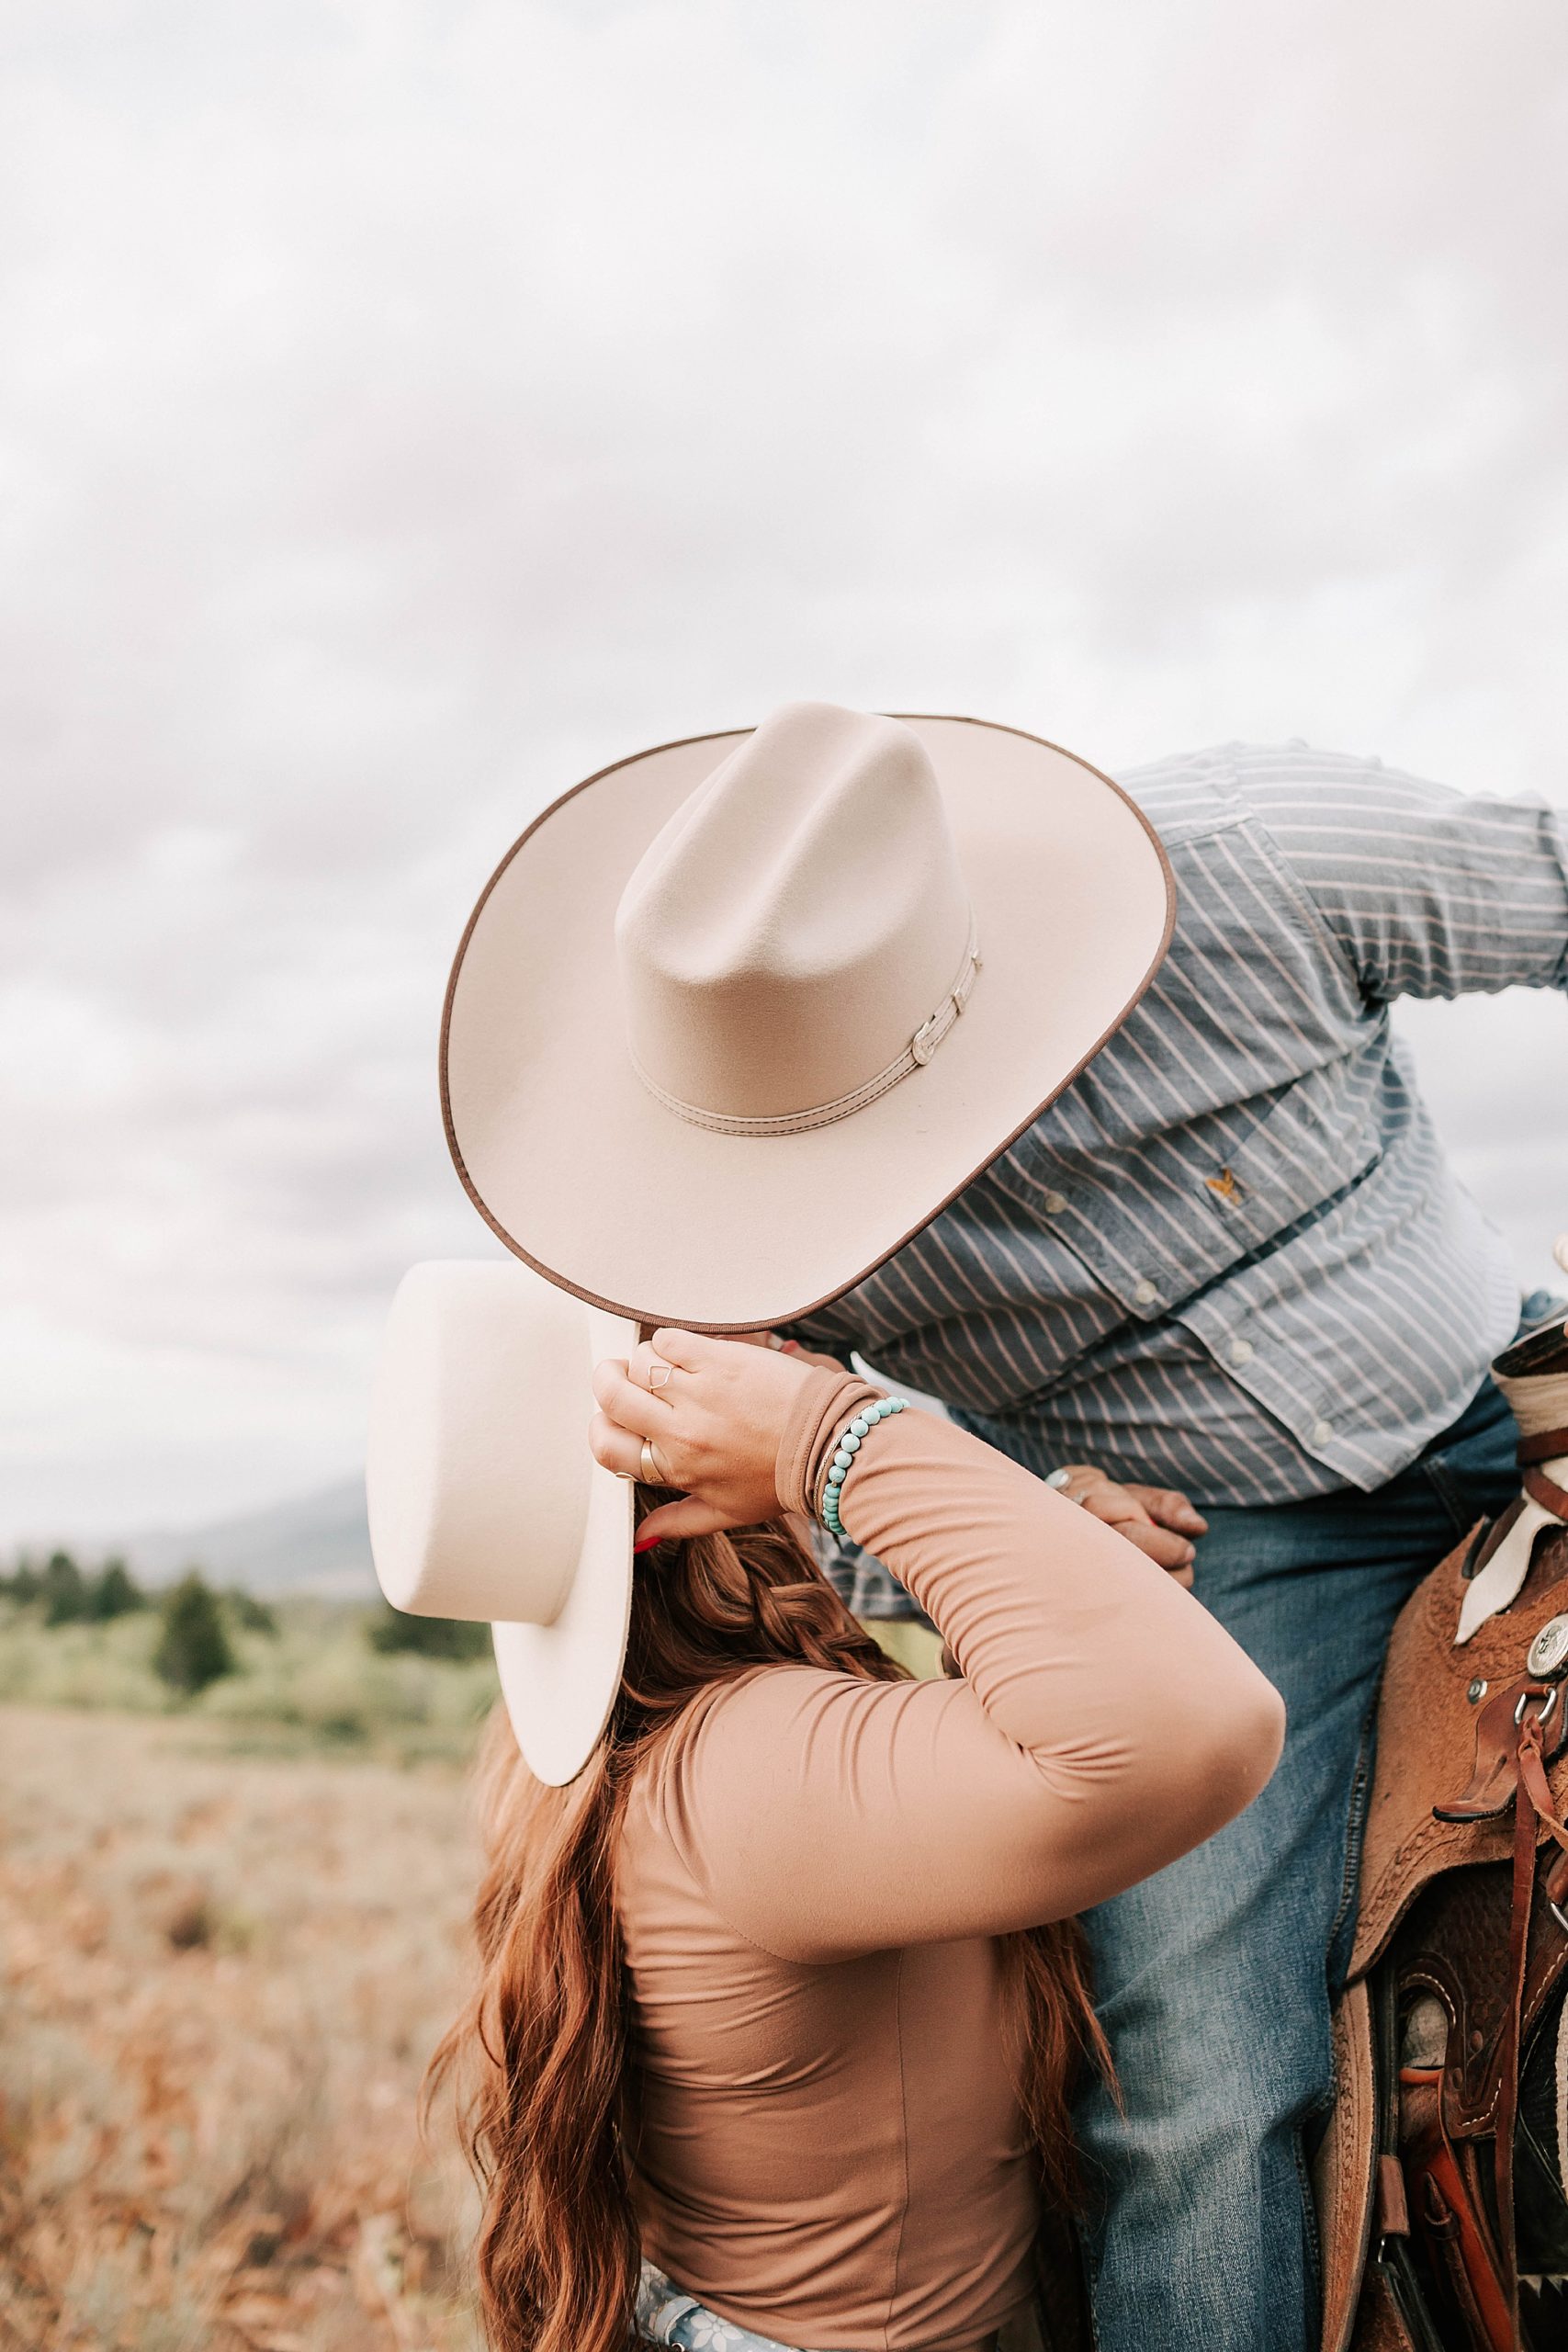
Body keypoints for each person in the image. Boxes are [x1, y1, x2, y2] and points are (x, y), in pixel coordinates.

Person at [434, 700, 1568, 2350]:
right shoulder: (726, 1204)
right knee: (1195, 2089)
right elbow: (780, 1491)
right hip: (1212, 1554)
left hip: (1495, 1373)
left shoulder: (1258, 855)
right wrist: (1030, 1530)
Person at [403, 1289, 1282, 2352]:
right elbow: (1206, 1726)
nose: (797, 1355)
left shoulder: (588, 1749)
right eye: (752, 1357)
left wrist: (1051, 1552)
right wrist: (822, 1438)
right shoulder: (743, 1767)